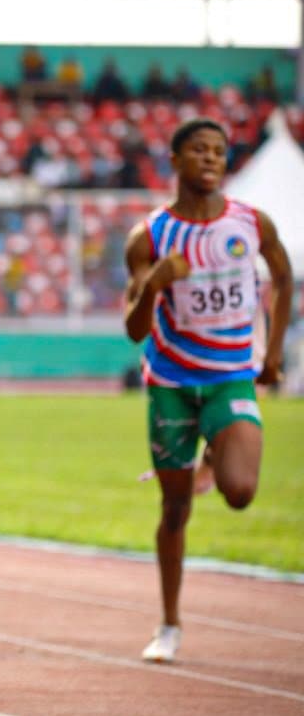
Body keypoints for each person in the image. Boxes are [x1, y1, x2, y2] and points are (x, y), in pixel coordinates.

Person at [122, 118, 293, 664]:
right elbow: (134, 328)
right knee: (174, 510)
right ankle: (169, 624)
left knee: (241, 491)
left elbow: (284, 278)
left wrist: (273, 353)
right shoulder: (149, 236)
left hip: (230, 376)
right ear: (175, 159)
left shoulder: (251, 223)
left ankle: (216, 456)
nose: (212, 159)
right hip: (171, 384)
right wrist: (153, 285)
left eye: (219, 151)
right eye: (199, 149)